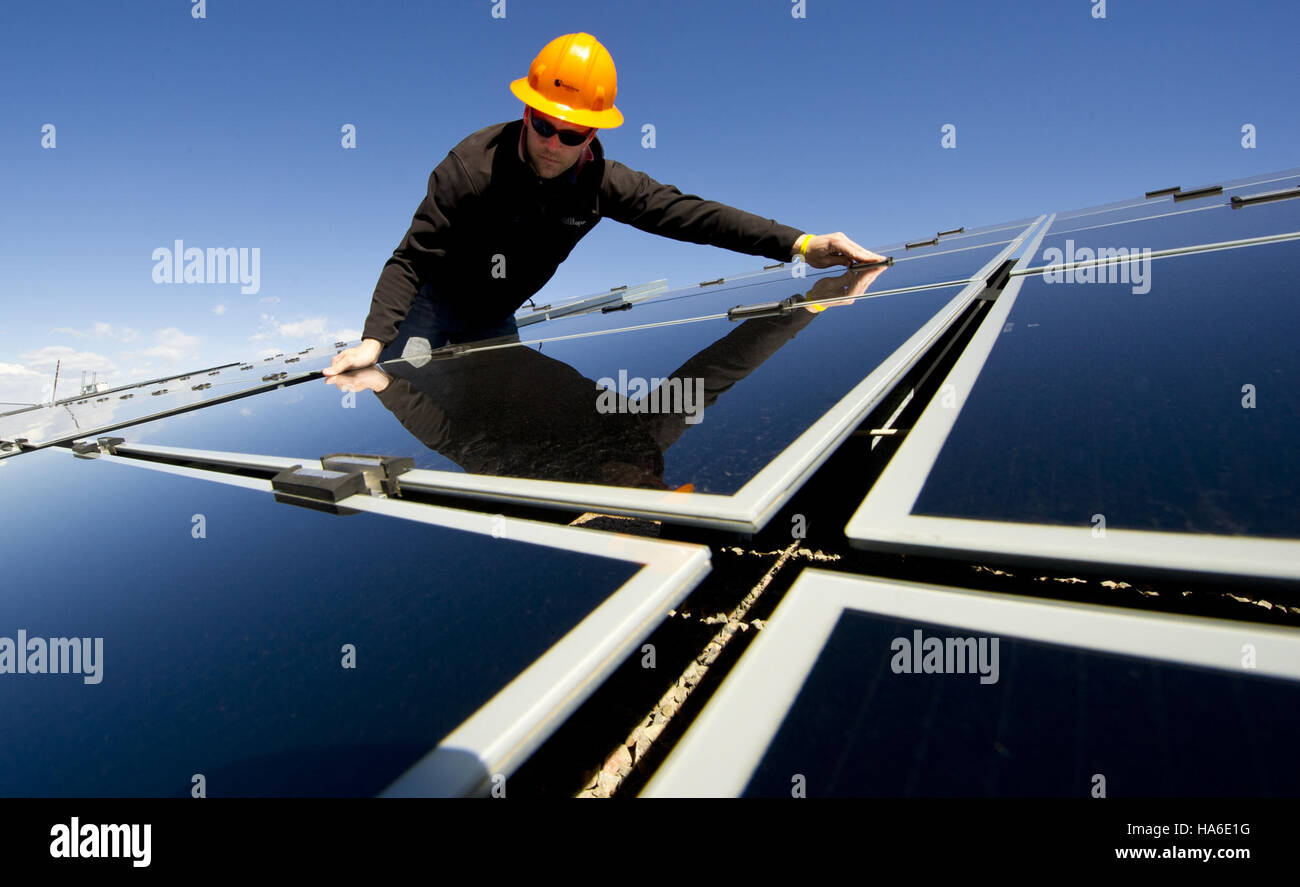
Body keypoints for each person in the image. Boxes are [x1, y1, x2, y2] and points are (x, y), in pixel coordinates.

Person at [324, 32, 883, 378]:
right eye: (544, 126)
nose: (552, 143)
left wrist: (803, 244)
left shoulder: (603, 184)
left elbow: (694, 215)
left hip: (496, 316)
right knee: (396, 382)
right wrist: (375, 339)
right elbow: (410, 259)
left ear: (592, 135)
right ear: (526, 114)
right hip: (433, 303)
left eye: (572, 135)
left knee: (493, 402)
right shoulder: (468, 169)